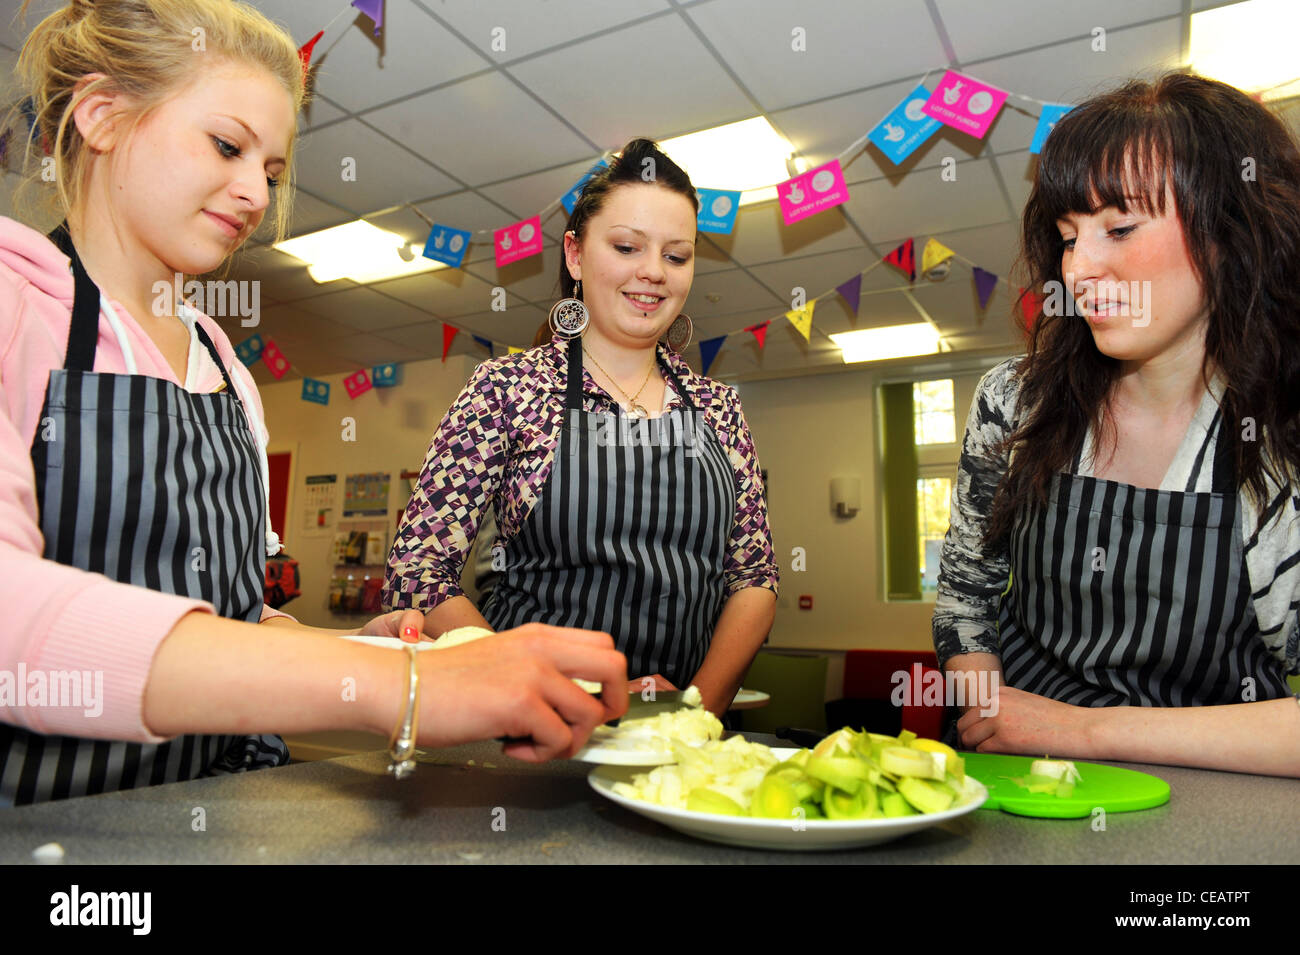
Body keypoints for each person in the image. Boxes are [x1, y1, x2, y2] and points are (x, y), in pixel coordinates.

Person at [0, 0, 626, 807]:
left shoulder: (225, 368)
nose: (254, 194)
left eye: (269, 170)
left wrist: (357, 646)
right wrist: (386, 683)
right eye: (227, 145)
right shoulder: (16, 306)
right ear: (102, 116)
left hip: (221, 810)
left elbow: (236, 614)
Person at [933, 72, 1300, 777]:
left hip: (1211, 809)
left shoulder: (1279, 437)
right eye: (1068, 237)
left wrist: (1082, 730)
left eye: (1119, 228)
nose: (1079, 268)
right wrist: (987, 708)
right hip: (1022, 783)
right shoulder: (1015, 402)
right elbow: (965, 592)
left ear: (1228, 231)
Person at [384, 140, 780, 716]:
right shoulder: (509, 388)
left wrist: (696, 714)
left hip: (678, 739)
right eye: (626, 246)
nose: (653, 272)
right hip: (527, 734)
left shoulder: (719, 408)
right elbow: (419, 569)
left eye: (677, 256)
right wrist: (522, 694)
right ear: (575, 254)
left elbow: (754, 579)